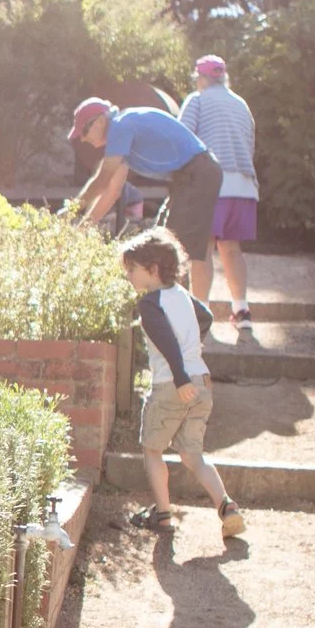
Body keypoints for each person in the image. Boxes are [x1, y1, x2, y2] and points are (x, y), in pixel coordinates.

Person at [118, 228, 244, 539]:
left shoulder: (150, 304)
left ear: (152, 269)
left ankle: (162, 515)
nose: (129, 277)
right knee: (193, 455)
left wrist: (179, 373)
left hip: (173, 384)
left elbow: (165, 341)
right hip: (201, 382)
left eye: (131, 270)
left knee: (152, 450)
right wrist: (191, 359)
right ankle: (227, 507)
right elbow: (206, 318)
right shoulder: (184, 297)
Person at [68, 97, 224, 301]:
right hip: (189, 177)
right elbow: (112, 191)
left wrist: (71, 210)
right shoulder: (121, 133)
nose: (83, 139)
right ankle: (174, 312)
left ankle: (183, 316)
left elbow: (102, 179)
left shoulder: (120, 126)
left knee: (172, 250)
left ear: (98, 122)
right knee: (158, 242)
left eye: (84, 132)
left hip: (198, 173)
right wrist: (83, 227)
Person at [178, 54, 259, 334]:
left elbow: (183, 139)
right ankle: (241, 309)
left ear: (201, 79)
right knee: (232, 249)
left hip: (213, 184)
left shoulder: (197, 101)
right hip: (243, 186)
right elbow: (250, 143)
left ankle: (200, 313)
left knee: (202, 250)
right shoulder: (241, 104)